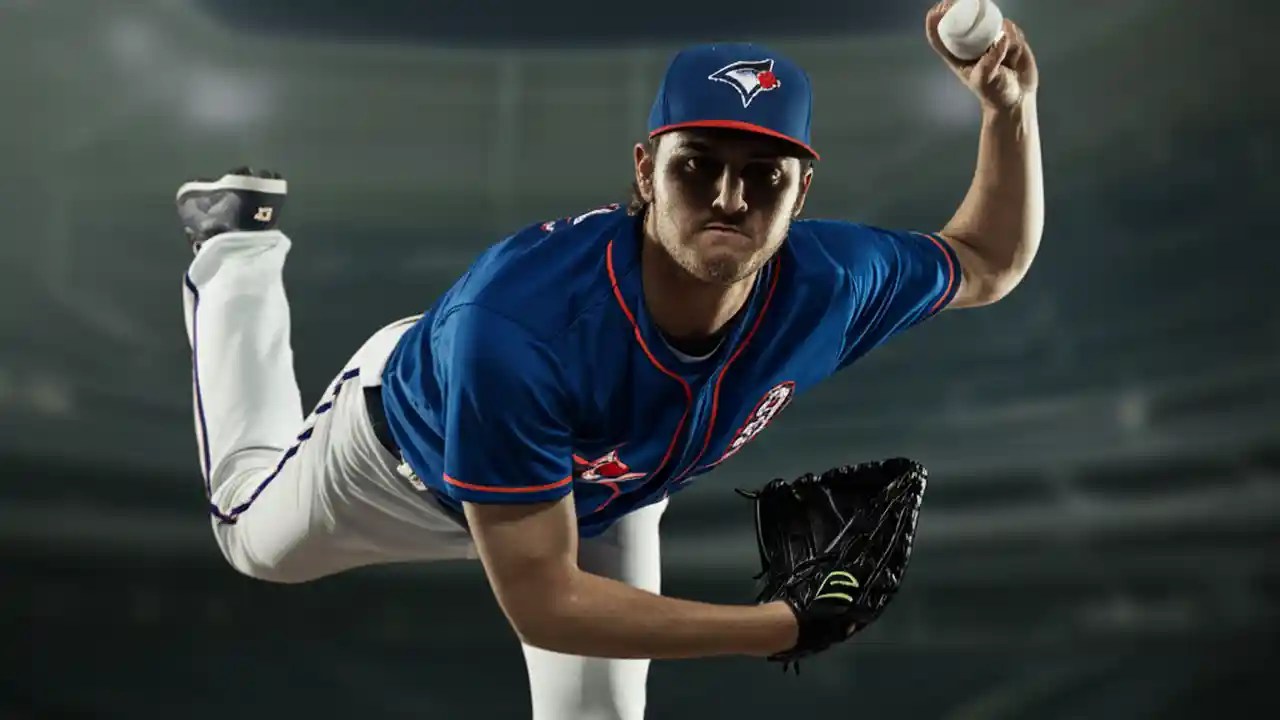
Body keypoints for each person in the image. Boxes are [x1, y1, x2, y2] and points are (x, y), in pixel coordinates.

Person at [174, 4, 1042, 718]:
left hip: (606, 489)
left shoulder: (831, 282)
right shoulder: (515, 331)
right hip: (403, 458)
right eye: (697, 166)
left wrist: (1009, 110)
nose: (730, 197)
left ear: (802, 190)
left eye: (764, 174)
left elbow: (987, 261)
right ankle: (234, 253)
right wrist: (777, 626)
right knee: (254, 544)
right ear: (645, 170)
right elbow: (544, 600)